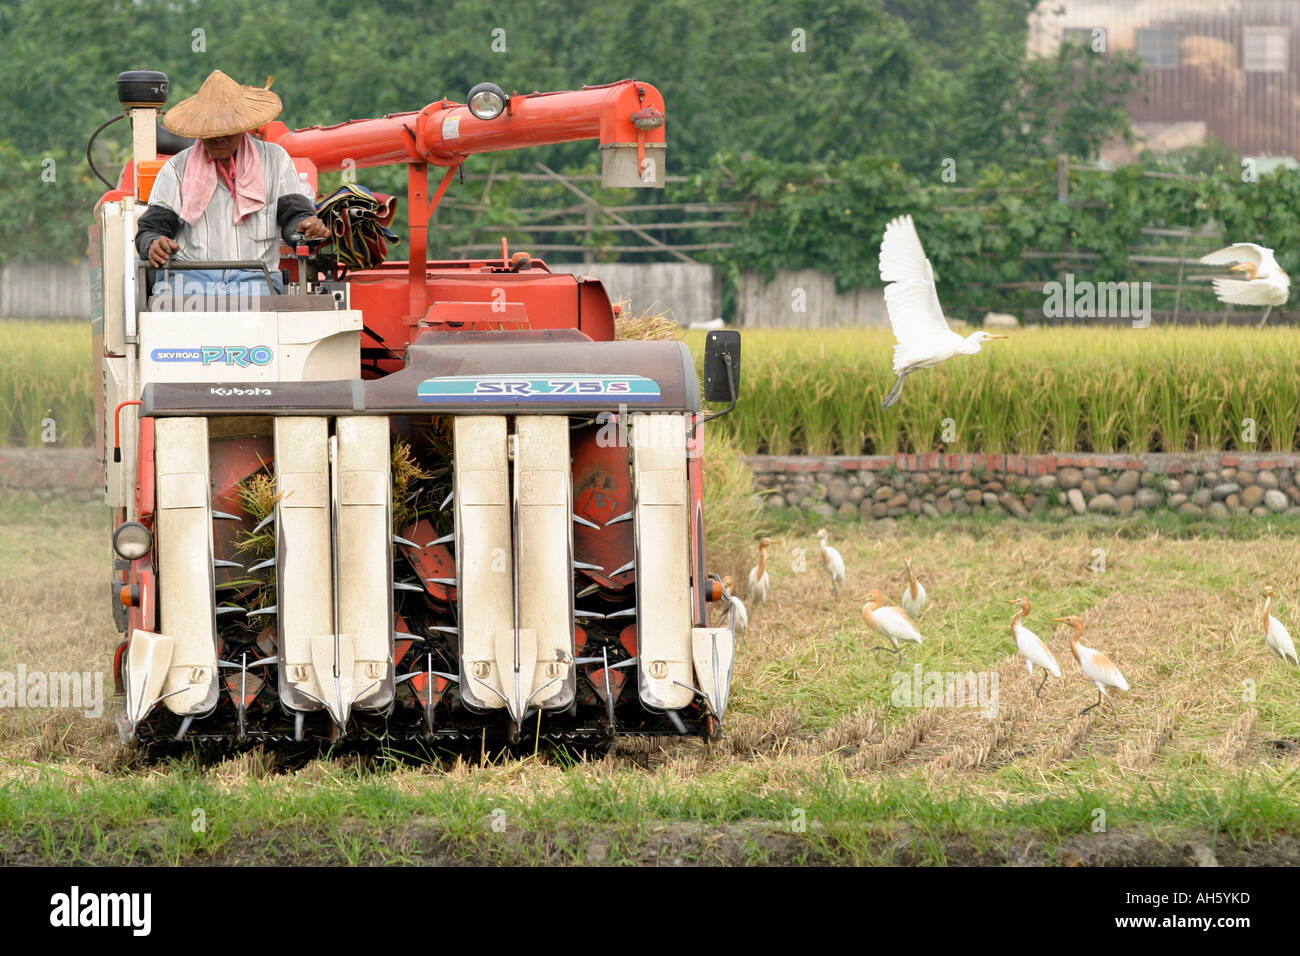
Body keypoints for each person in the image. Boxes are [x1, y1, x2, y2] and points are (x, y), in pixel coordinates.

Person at [134, 70, 330, 300]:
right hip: (190, 280)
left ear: (243, 126)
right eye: (211, 131)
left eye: (226, 130)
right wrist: (154, 244)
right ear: (200, 129)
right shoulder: (176, 168)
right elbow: (150, 230)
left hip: (256, 278)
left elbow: (294, 217)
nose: (219, 138)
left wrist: (305, 228)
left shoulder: (275, 160)